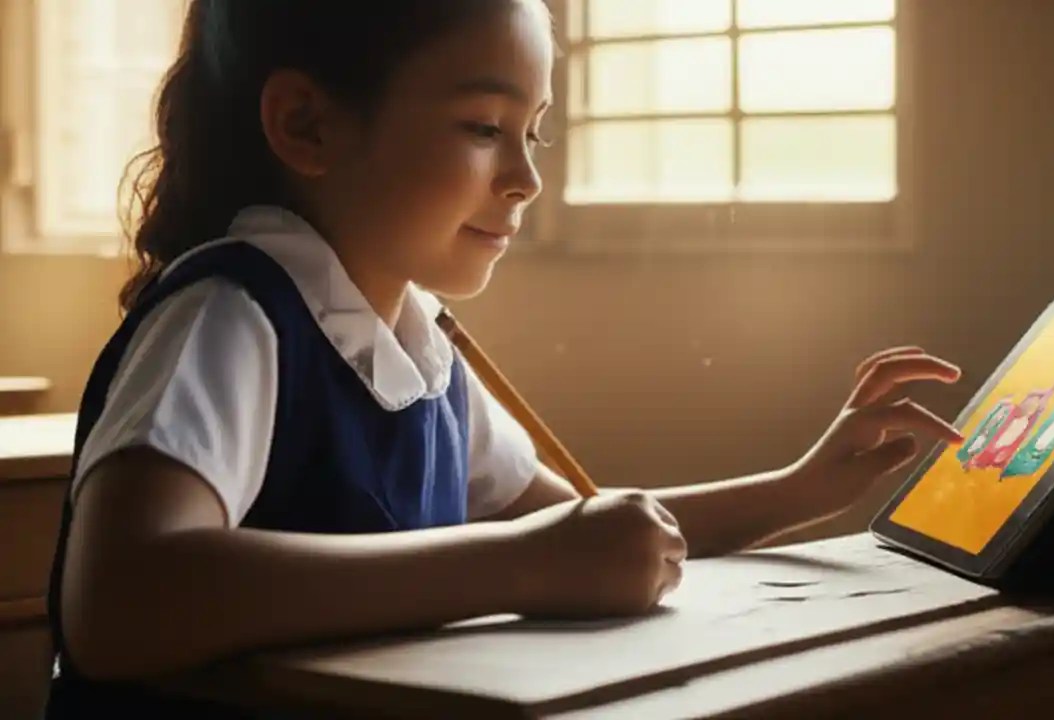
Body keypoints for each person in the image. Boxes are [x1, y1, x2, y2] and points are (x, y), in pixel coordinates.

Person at [43, 1, 965, 716]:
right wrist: (520, 566)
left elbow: (589, 537)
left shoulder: (416, 345)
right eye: (485, 126)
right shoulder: (235, 314)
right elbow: (122, 603)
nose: (526, 178)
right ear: (307, 126)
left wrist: (801, 488)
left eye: (535, 132)